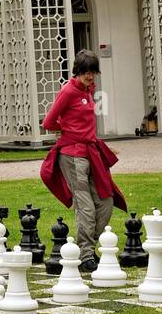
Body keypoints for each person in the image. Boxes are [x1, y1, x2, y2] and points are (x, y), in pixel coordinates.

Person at [40, 49, 125, 272]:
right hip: (73, 155)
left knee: (106, 201)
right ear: (78, 71)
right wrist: (68, 130)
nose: (90, 76)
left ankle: (87, 246)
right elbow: (48, 121)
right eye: (86, 72)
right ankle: (86, 255)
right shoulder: (68, 91)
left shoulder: (89, 90)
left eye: (93, 72)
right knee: (85, 206)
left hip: (91, 152)